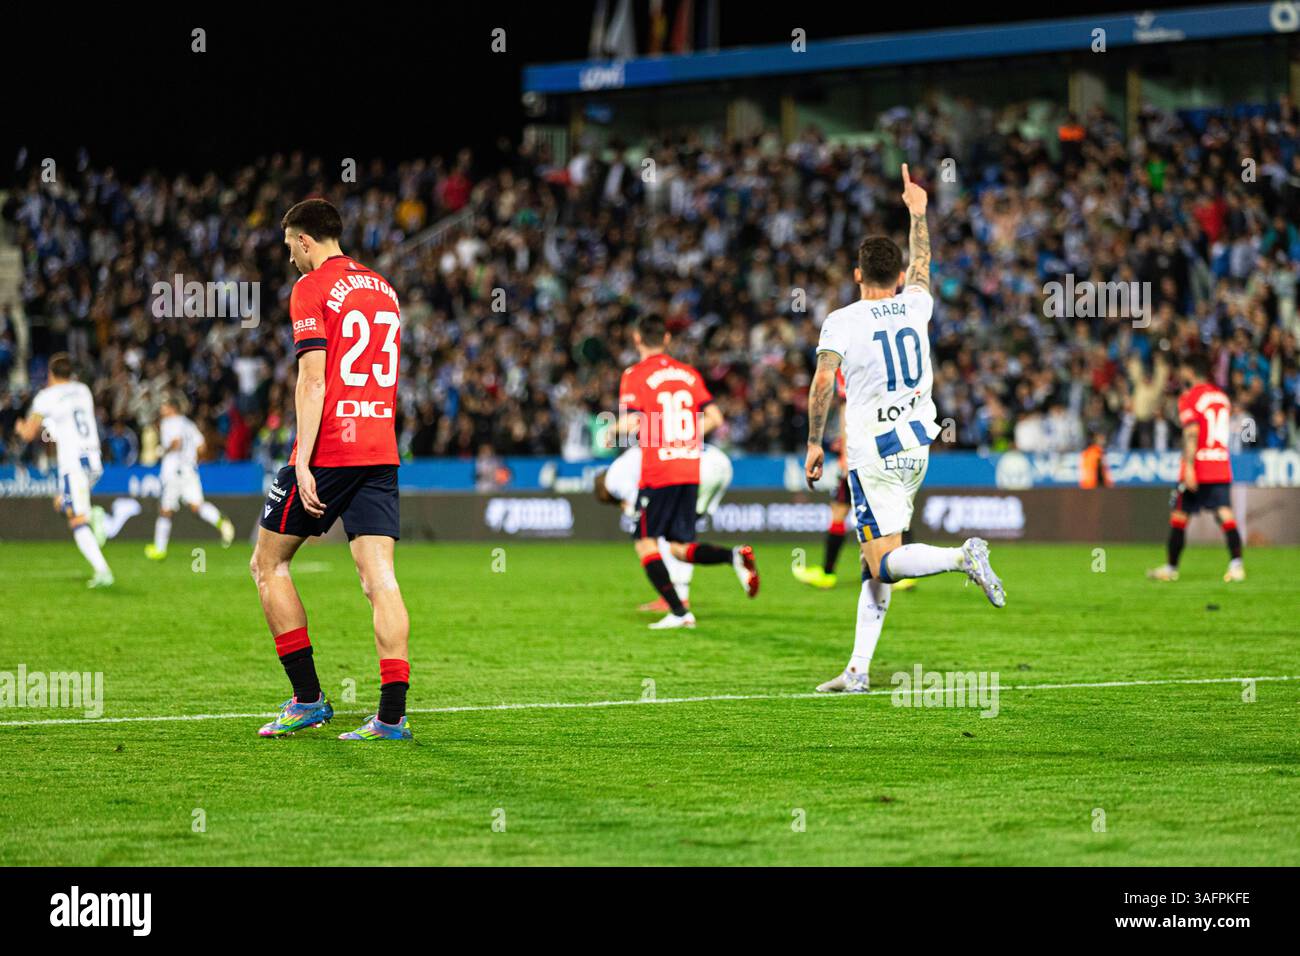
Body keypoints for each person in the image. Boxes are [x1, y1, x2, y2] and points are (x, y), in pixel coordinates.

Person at [805, 165, 1005, 694]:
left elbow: (823, 382)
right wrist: (918, 210)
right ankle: (857, 670)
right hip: (918, 444)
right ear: (896, 278)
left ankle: (961, 556)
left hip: (872, 452)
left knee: (882, 563)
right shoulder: (916, 304)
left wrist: (812, 442)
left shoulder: (842, 321)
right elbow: (924, 262)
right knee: (877, 564)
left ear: (856, 275)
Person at [251, 198, 412, 741]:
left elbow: (314, 379)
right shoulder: (384, 288)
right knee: (380, 580)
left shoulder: (311, 288)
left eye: (288, 245)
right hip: (381, 448)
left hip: (332, 450)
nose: (289, 256)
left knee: (267, 564)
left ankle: (308, 698)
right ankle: (391, 717)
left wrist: (301, 458)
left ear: (302, 241)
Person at [616, 313, 758, 630]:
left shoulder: (635, 374)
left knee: (644, 540)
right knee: (678, 548)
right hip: (689, 467)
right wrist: (686, 435)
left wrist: (610, 431)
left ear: (637, 339)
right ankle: (733, 556)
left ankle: (680, 613)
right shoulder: (689, 374)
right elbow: (716, 418)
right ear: (666, 339)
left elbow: (631, 424)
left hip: (659, 470)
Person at [595, 442, 734, 612]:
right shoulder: (625, 462)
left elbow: (637, 503)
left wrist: (629, 510)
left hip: (694, 470)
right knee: (677, 537)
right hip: (719, 462)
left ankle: (678, 601)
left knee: (661, 539)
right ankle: (733, 557)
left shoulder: (612, 482)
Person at [14, 353, 113, 587]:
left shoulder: (45, 397)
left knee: (76, 520)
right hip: (93, 460)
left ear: (50, 373)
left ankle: (103, 570)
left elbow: (29, 433)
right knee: (62, 503)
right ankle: (92, 514)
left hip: (73, 464)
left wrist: (19, 427)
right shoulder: (83, 390)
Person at [1147, 354, 1244, 583]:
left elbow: (1192, 433)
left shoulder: (1189, 398)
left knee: (1179, 515)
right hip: (1220, 462)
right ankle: (1237, 565)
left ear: (1191, 371)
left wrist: (1189, 467)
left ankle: (1171, 568)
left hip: (1199, 464)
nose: (1181, 374)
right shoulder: (1222, 398)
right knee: (1224, 512)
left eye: (1183, 370)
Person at [145, 393, 235, 559]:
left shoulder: (168, 423)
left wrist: (161, 451)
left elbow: (176, 442)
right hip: (189, 470)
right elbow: (202, 446)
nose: (162, 409)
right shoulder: (188, 423)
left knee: (165, 510)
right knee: (197, 506)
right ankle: (221, 522)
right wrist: (191, 459)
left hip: (174, 471)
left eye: (165, 406)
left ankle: (159, 549)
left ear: (172, 408)